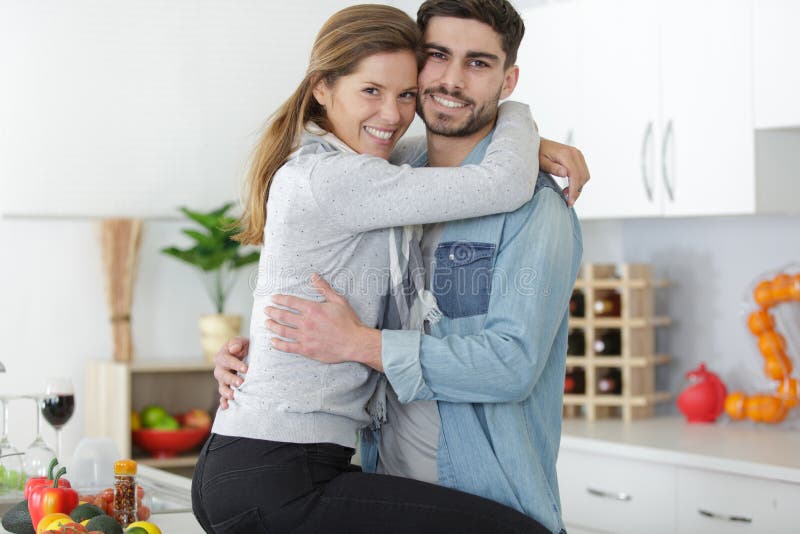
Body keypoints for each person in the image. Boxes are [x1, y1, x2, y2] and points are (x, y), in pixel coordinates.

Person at [193, 3, 586, 533]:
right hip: (293, 468)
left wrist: (351, 345)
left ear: (507, 78)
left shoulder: (520, 205)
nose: (449, 81)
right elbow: (491, 177)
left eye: (478, 64)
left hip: (415, 478)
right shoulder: (364, 176)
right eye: (437, 56)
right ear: (322, 88)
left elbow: (511, 362)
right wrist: (522, 127)